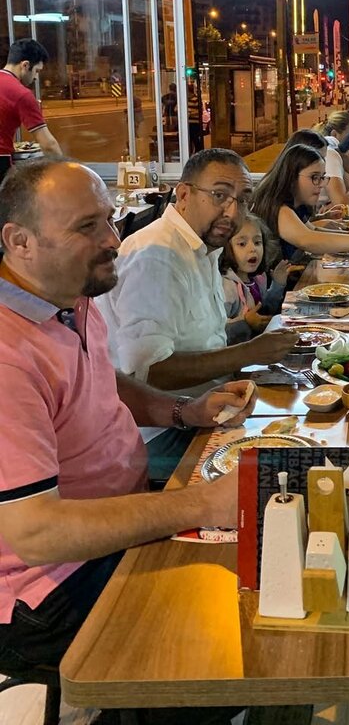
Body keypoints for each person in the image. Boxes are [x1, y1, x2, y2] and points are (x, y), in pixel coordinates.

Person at [0, 157, 252, 725]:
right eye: (87, 227)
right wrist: (202, 504)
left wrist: (180, 411)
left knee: (269, 564)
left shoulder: (70, 294)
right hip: (49, 588)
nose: (114, 239)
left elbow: (99, 376)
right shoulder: (7, 357)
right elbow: (35, 534)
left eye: (109, 220)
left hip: (119, 518)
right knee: (228, 650)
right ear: (19, 241)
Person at [96, 148, 296, 390]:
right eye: (219, 195)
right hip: (170, 423)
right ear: (183, 195)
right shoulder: (156, 257)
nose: (232, 213)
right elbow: (146, 371)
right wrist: (249, 353)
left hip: (212, 401)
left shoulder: (205, 247)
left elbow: (205, 340)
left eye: (242, 200)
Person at [253, 143, 349, 261]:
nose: (321, 184)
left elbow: (313, 230)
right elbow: (308, 240)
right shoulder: (278, 207)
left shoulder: (297, 204)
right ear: (291, 176)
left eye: (322, 177)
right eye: (314, 177)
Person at [0, 38, 61, 185]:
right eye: (36, 71)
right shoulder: (21, 94)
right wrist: (64, 172)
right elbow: (48, 144)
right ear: (25, 65)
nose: (35, 78)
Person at [220, 213, 289, 343]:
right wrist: (245, 322)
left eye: (257, 242)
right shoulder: (227, 287)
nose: (253, 249)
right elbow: (218, 331)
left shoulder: (258, 278)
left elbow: (265, 309)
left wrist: (278, 284)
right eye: (242, 244)